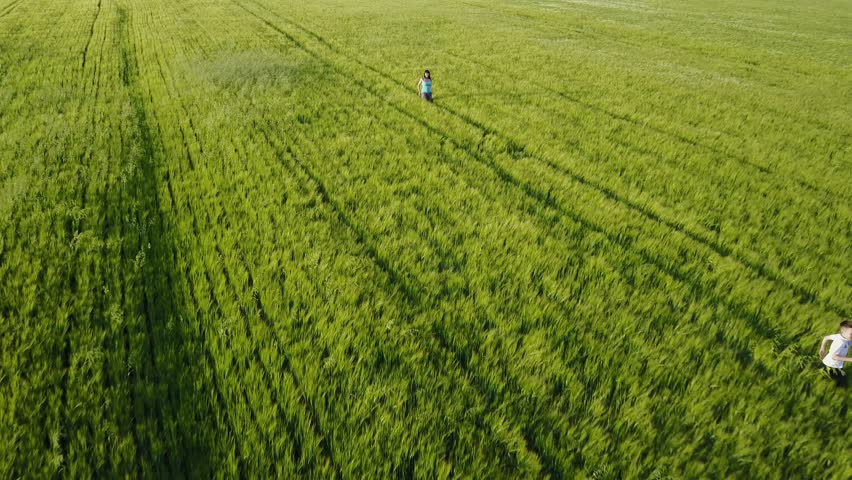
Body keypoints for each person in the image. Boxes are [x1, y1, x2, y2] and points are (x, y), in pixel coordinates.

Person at [818, 320, 852, 388]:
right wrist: (850, 359)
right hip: (831, 367)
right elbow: (834, 356)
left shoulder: (840, 336)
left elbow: (826, 337)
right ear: (843, 332)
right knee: (841, 386)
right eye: (851, 334)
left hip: (832, 365)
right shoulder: (840, 342)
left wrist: (822, 348)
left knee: (841, 384)